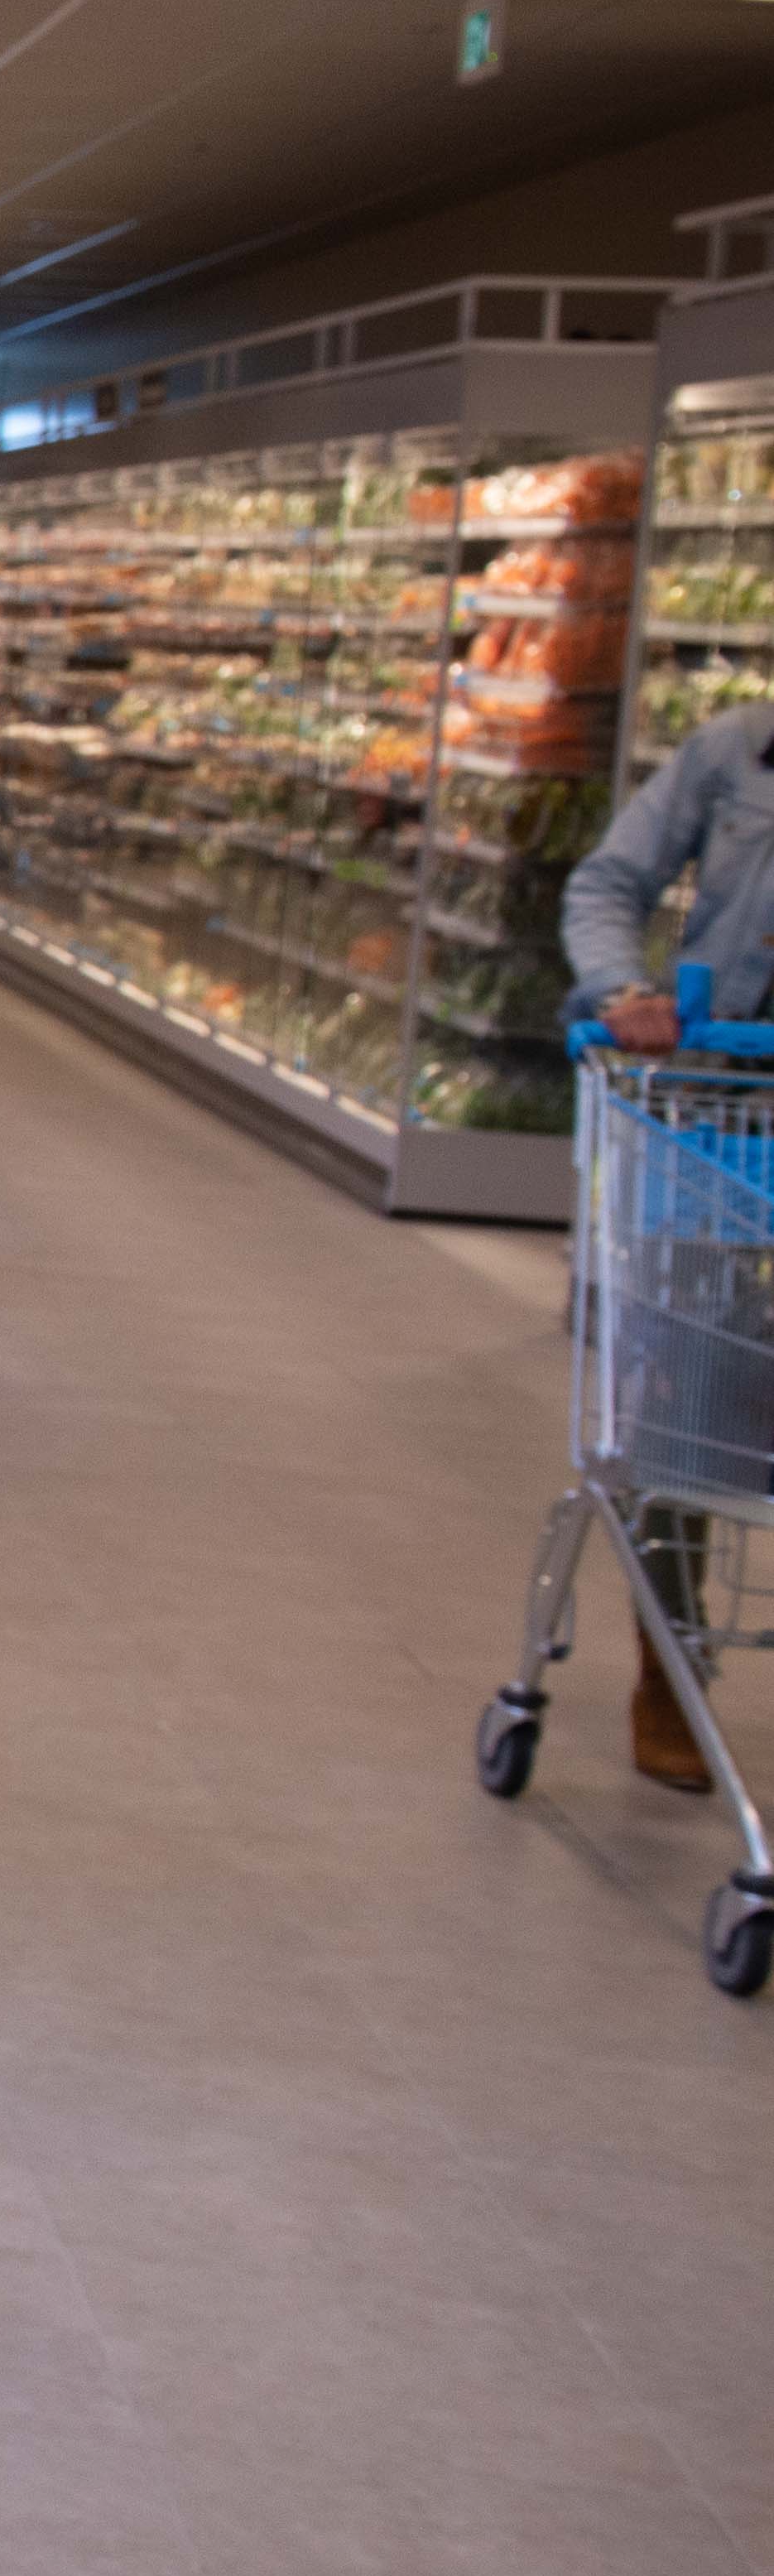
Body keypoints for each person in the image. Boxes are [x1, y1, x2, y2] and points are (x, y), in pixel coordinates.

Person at [555, 712, 774, 1791]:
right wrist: (622, 991)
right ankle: (670, 1663)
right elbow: (608, 881)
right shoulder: (736, 750)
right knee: (690, 1383)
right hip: (719, 1114)